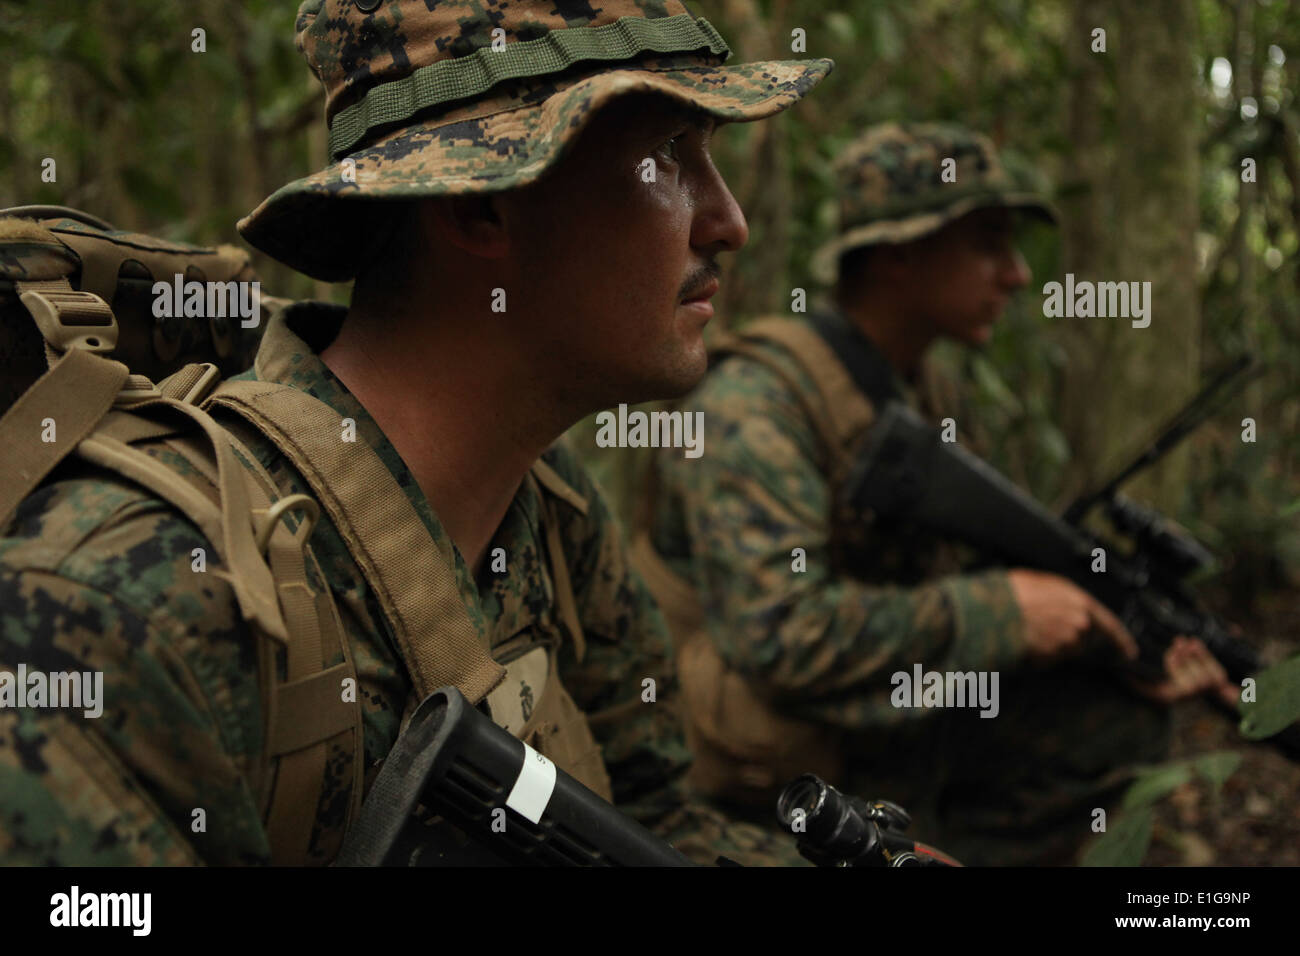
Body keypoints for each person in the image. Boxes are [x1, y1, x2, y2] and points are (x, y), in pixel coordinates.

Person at [0, 0, 830, 866]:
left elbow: (656, 820)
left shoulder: (549, 510)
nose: (729, 221)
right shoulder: (120, 609)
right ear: (479, 205)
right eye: (666, 155)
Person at [640, 122, 1239, 865]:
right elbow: (780, 636)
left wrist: (1116, 635)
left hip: (873, 724)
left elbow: (949, 577)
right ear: (897, 254)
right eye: (988, 242)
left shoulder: (926, 391)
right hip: (759, 773)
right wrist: (1009, 611)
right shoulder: (756, 404)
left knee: (1106, 713)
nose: (1017, 274)